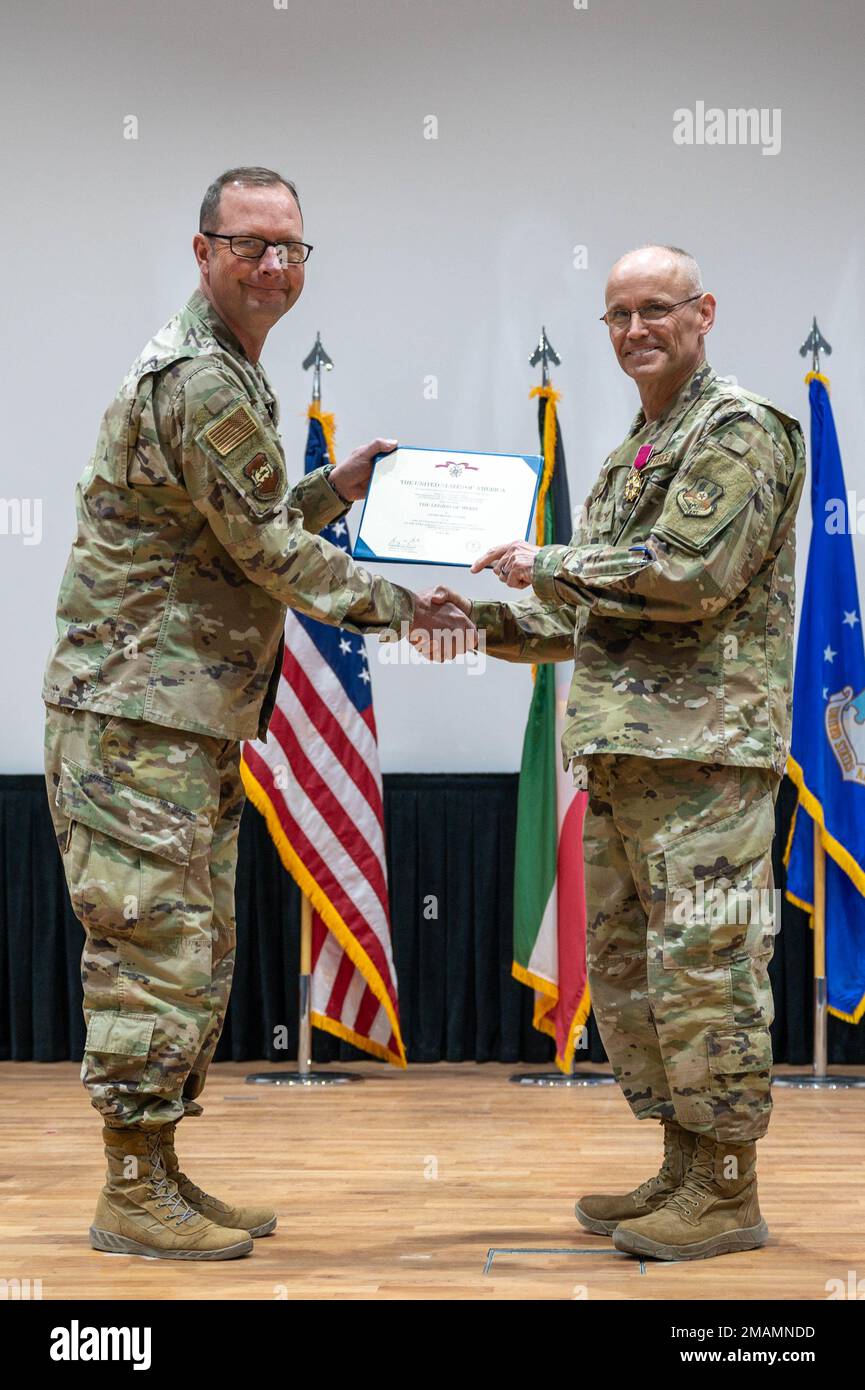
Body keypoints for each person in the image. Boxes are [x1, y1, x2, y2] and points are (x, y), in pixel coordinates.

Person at [42, 165, 475, 1261]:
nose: (274, 266)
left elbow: (244, 519)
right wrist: (403, 604)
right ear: (203, 251)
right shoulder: (203, 379)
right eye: (250, 245)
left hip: (176, 716)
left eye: (291, 248)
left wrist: (340, 487)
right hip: (138, 719)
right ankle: (129, 1191)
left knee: (194, 945)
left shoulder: (226, 370)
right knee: (153, 951)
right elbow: (265, 552)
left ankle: (162, 1173)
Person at [436, 244, 806, 1261]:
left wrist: (546, 559)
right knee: (639, 975)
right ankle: (683, 1165)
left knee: (709, 970)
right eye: (617, 314)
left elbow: (688, 575)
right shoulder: (634, 450)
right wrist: (463, 619)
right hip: (626, 758)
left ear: (704, 313)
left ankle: (729, 1190)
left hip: (703, 764)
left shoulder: (740, 428)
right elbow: (583, 614)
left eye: (655, 308)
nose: (634, 329)